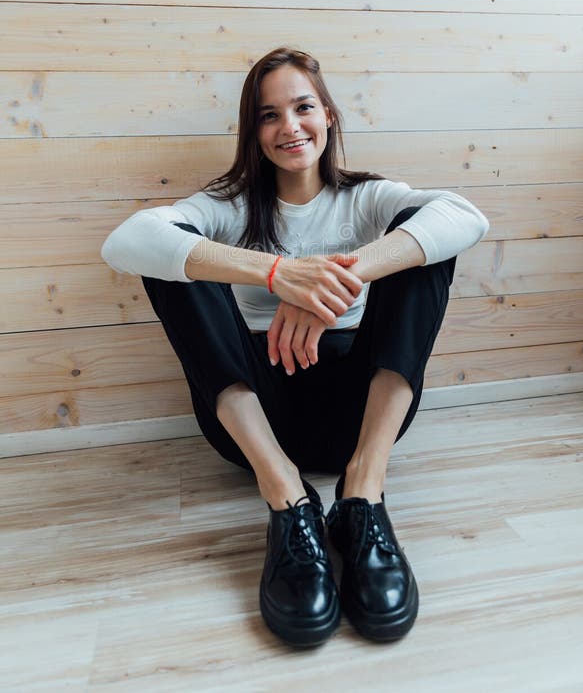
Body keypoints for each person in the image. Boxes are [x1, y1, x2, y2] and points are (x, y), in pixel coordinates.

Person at [101, 47, 489, 648]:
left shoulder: (368, 198)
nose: (289, 127)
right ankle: (287, 498)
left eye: (303, 107)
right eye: (268, 115)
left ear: (328, 115)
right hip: (256, 421)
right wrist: (280, 274)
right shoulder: (227, 207)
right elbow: (127, 241)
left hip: (358, 415)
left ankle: (362, 493)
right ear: (252, 131)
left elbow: (465, 216)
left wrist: (333, 281)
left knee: (422, 244)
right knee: (176, 256)